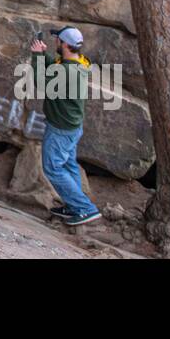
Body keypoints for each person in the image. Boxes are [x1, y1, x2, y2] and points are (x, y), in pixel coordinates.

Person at [30, 26, 102, 226]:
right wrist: (43, 55)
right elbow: (56, 68)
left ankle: (85, 209)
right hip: (72, 127)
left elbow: (41, 83)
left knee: (52, 168)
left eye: (58, 40)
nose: (55, 43)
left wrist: (36, 57)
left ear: (65, 45)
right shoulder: (79, 63)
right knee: (69, 166)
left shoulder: (67, 70)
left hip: (60, 129)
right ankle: (73, 206)